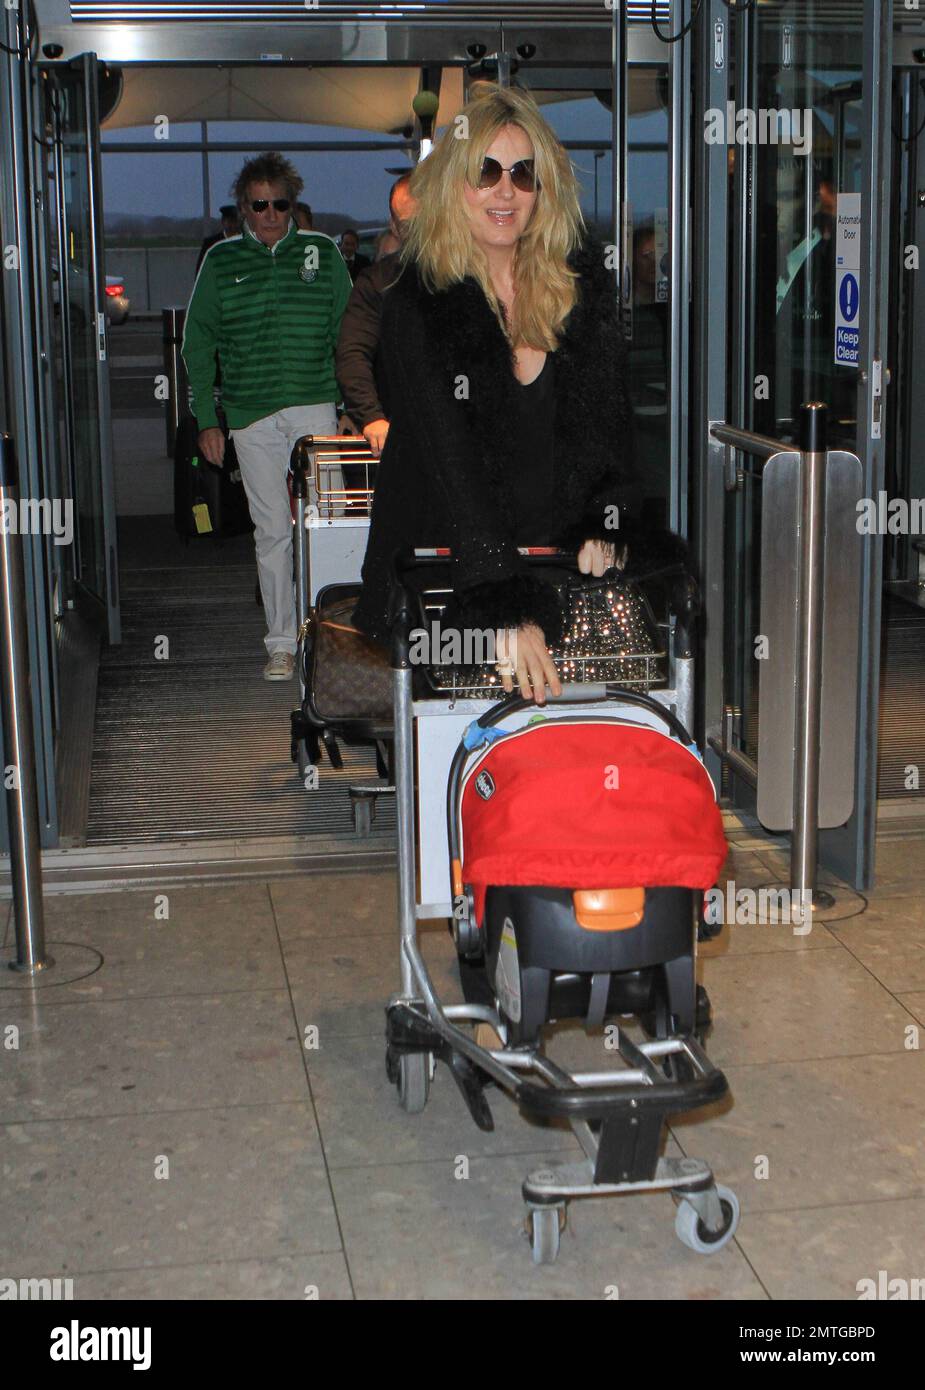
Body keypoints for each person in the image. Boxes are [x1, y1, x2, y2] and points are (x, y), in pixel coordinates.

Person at [353, 85, 677, 705]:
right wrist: (503, 601)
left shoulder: (578, 291)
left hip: (557, 566)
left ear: (543, 189)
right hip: (447, 569)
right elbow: (453, 467)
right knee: (484, 735)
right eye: (487, 171)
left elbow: (610, 431)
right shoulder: (419, 303)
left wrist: (604, 519)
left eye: (523, 174)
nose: (506, 190)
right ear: (456, 184)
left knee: (610, 720)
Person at [182, 152, 353, 680]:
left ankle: (333, 638)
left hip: (316, 406)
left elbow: (348, 334)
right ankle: (281, 642)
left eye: (281, 203)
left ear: (292, 204)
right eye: (261, 205)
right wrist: (206, 418)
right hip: (251, 415)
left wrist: (351, 408)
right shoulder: (220, 262)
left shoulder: (323, 253)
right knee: (272, 531)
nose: (272, 214)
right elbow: (198, 341)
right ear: (244, 209)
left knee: (328, 525)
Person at [335, 174, 418, 457]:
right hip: (401, 437)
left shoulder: (472, 274)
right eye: (409, 225)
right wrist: (372, 417)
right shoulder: (376, 282)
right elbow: (352, 352)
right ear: (394, 225)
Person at [195, 205, 240, 272]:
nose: (232, 225)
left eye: (234, 221)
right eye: (229, 221)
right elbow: (201, 269)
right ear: (223, 221)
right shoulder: (211, 243)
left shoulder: (245, 241)